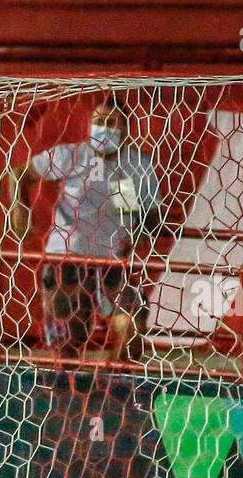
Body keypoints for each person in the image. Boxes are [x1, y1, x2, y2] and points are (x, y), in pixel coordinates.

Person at [8, 95, 162, 361]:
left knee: (133, 325)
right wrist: (20, 208)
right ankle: (65, 392)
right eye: (98, 121)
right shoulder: (71, 154)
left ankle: (118, 387)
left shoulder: (136, 164)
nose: (103, 128)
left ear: (126, 130)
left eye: (111, 123)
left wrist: (136, 232)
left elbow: (152, 212)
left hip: (112, 262)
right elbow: (18, 174)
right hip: (67, 259)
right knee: (70, 337)